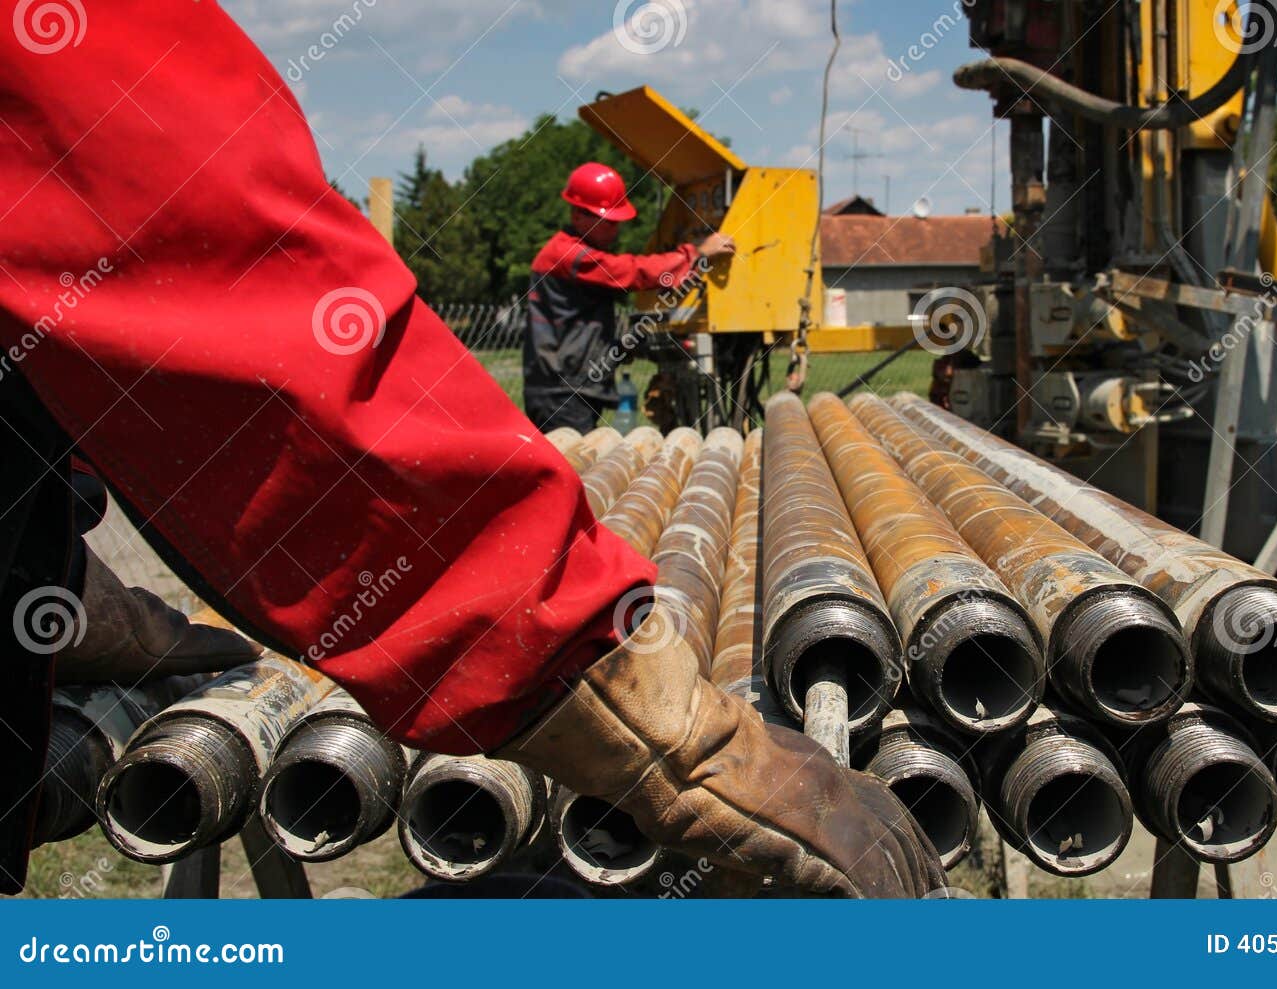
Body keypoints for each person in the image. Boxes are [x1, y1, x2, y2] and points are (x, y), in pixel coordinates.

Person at [0, 1, 942, 898]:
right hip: (562, 393)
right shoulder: (562, 253)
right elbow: (237, 299)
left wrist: (49, 562)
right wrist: (673, 731)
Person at [524, 163, 735, 431]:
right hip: (563, 393)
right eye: (607, 222)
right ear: (578, 215)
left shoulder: (568, 252)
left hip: (566, 387)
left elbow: (578, 324)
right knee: (572, 468)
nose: (615, 231)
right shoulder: (570, 255)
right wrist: (697, 254)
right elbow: (629, 272)